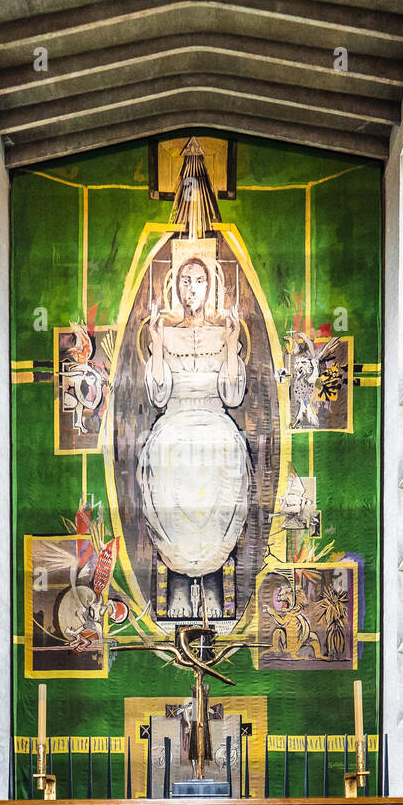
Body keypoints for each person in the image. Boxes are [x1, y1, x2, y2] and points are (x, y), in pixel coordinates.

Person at [137, 255, 251, 619]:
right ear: (175, 287)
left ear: (210, 286)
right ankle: (180, 588)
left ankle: (214, 585)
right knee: (168, 456)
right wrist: (156, 342)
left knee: (224, 452)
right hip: (175, 419)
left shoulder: (222, 334)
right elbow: (158, 395)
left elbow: (232, 396)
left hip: (214, 418)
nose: (191, 289)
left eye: (199, 281)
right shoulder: (166, 334)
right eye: (184, 281)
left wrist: (232, 341)